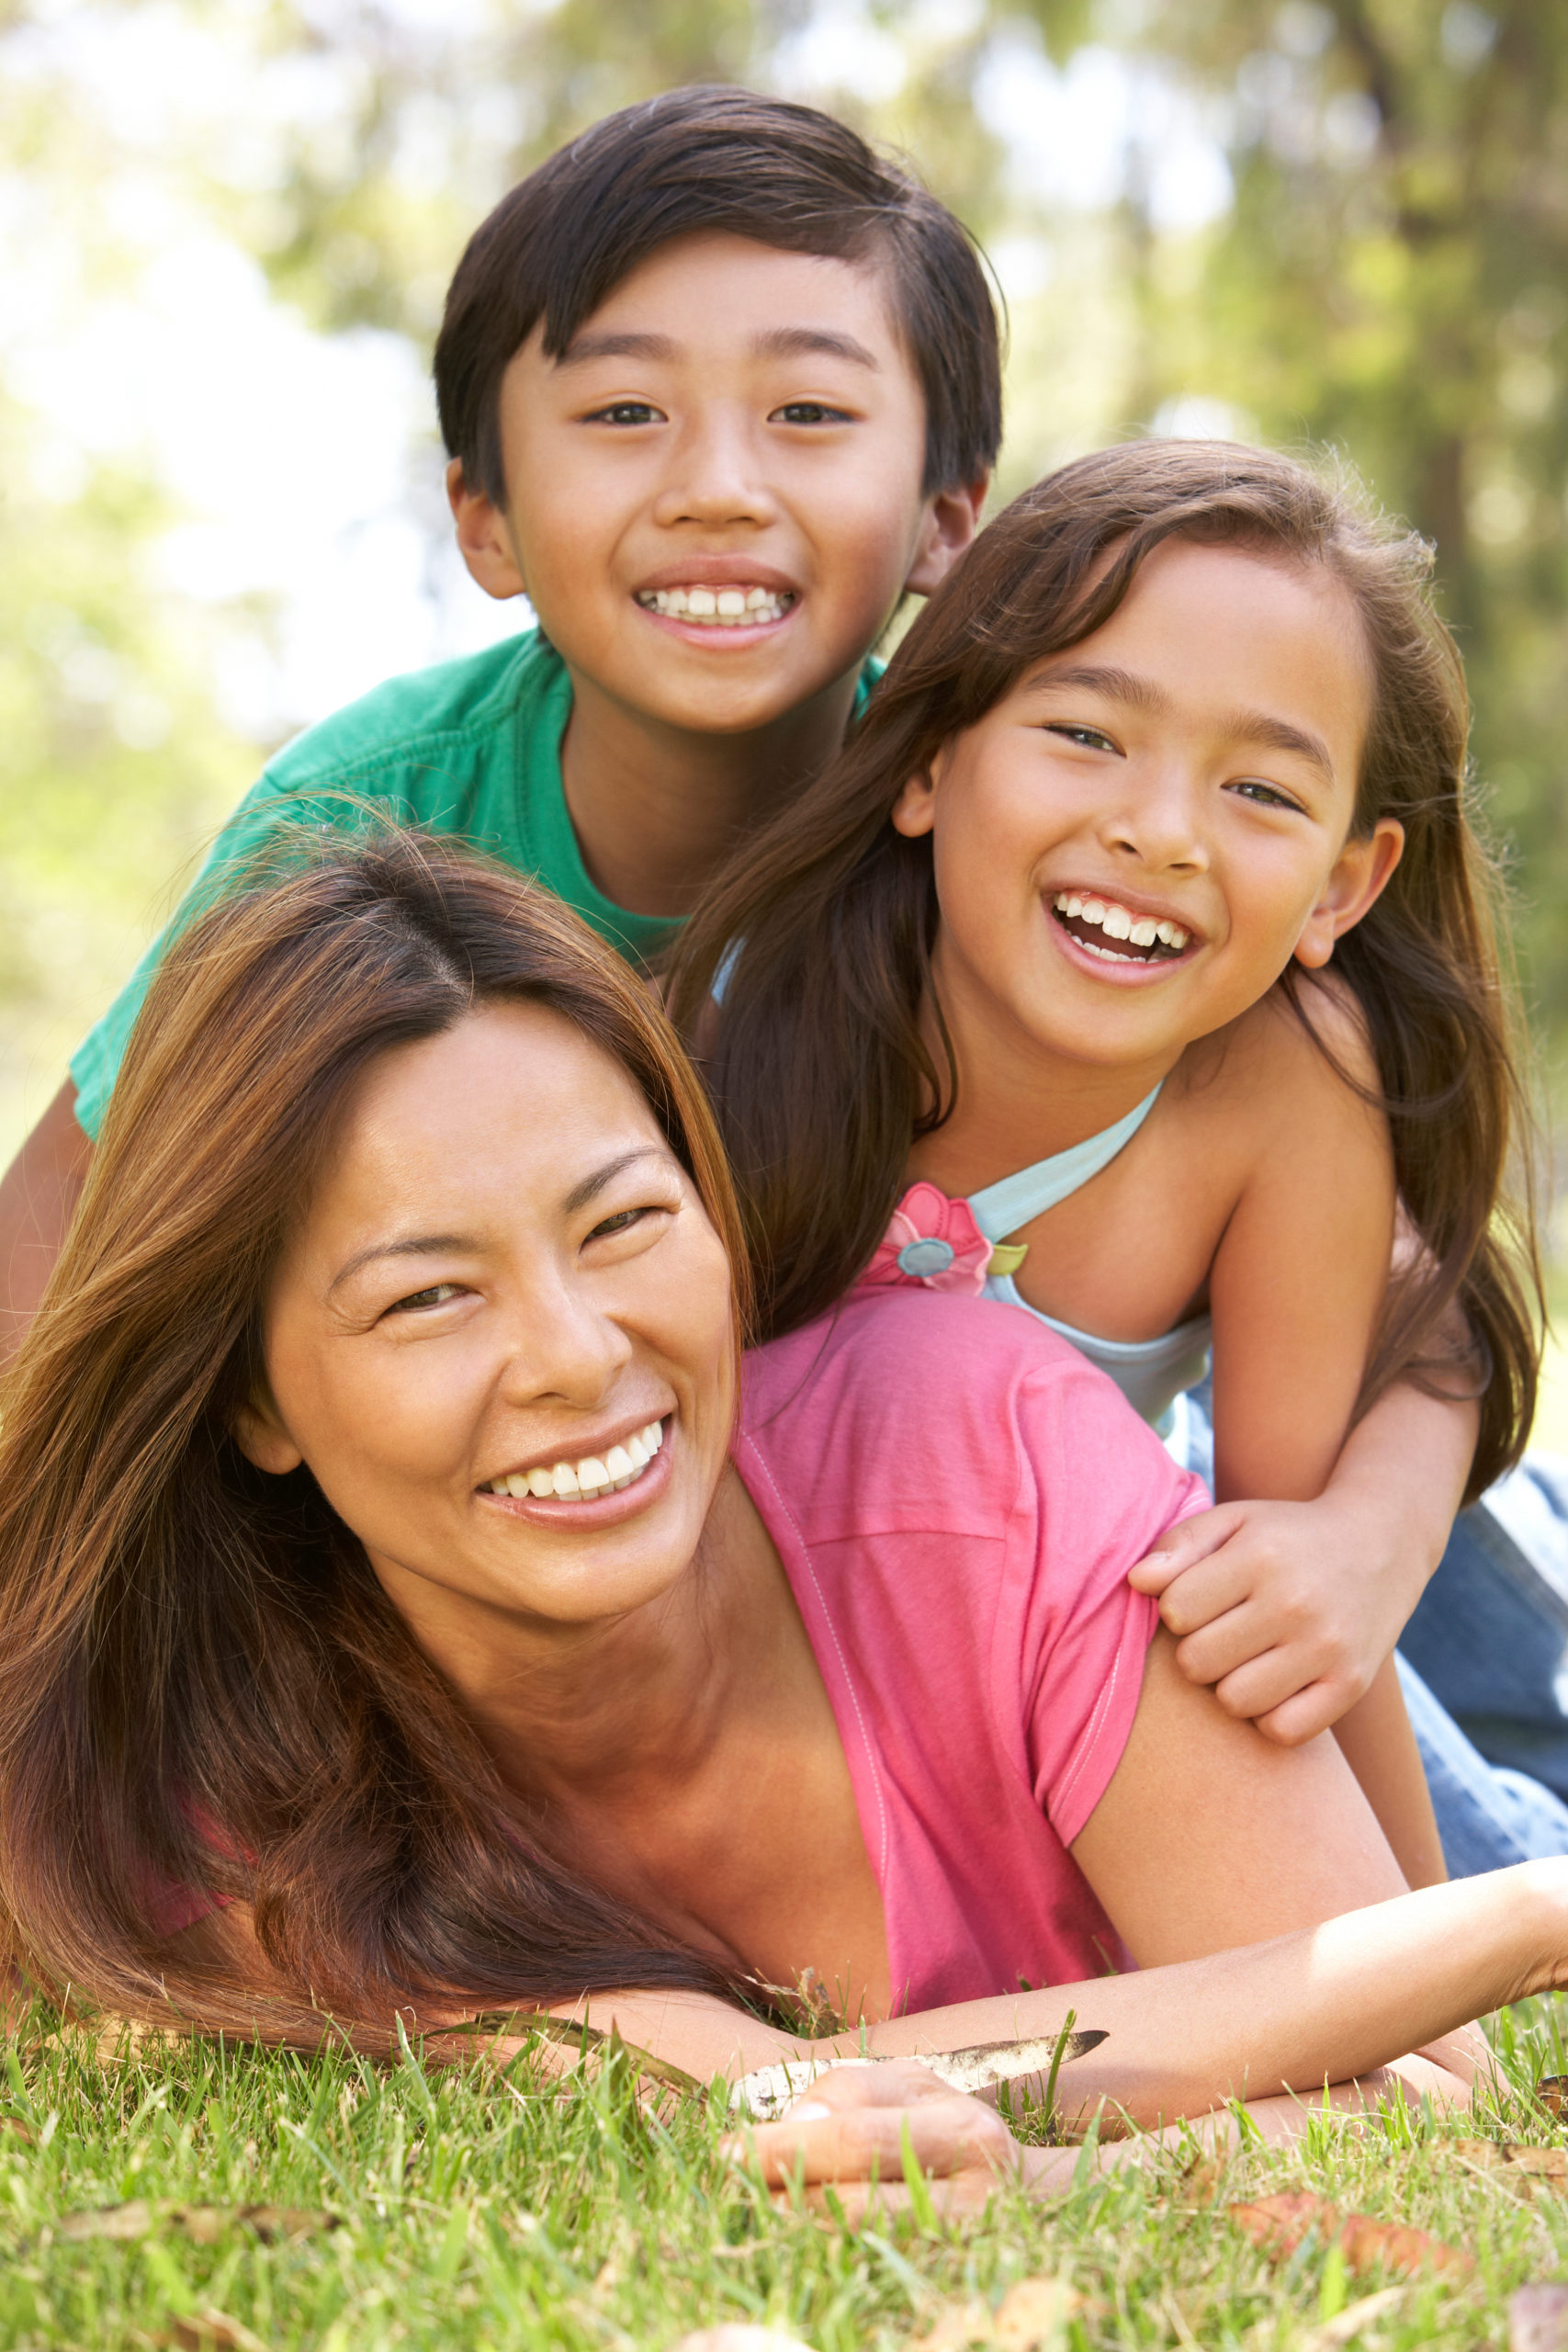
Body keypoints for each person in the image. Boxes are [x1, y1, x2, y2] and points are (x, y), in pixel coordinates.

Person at [6, 825, 1568, 2211]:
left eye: (623, 1221)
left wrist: (1519, 1909)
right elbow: (757, 2094)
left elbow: (1437, 2103)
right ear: (258, 1404)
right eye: (427, 1296)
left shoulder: (979, 1453)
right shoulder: (239, 1809)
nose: (577, 1356)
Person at [671, 440, 1567, 1882]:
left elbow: (1294, 1609)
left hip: (1141, 1595)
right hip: (886, 1663)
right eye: (1087, 736)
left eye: (1263, 793)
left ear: (1343, 886)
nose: (1159, 831)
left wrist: (1425, 1955)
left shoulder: (1286, 1085)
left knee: (1500, 1830)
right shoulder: (747, 1048)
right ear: (926, 766)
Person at [0, 84, 996, 1363]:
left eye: (807, 413)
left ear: (945, 519)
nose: (718, 489)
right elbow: (56, 1249)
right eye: (625, 413)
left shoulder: (988, 826)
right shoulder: (368, 815)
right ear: (485, 522)